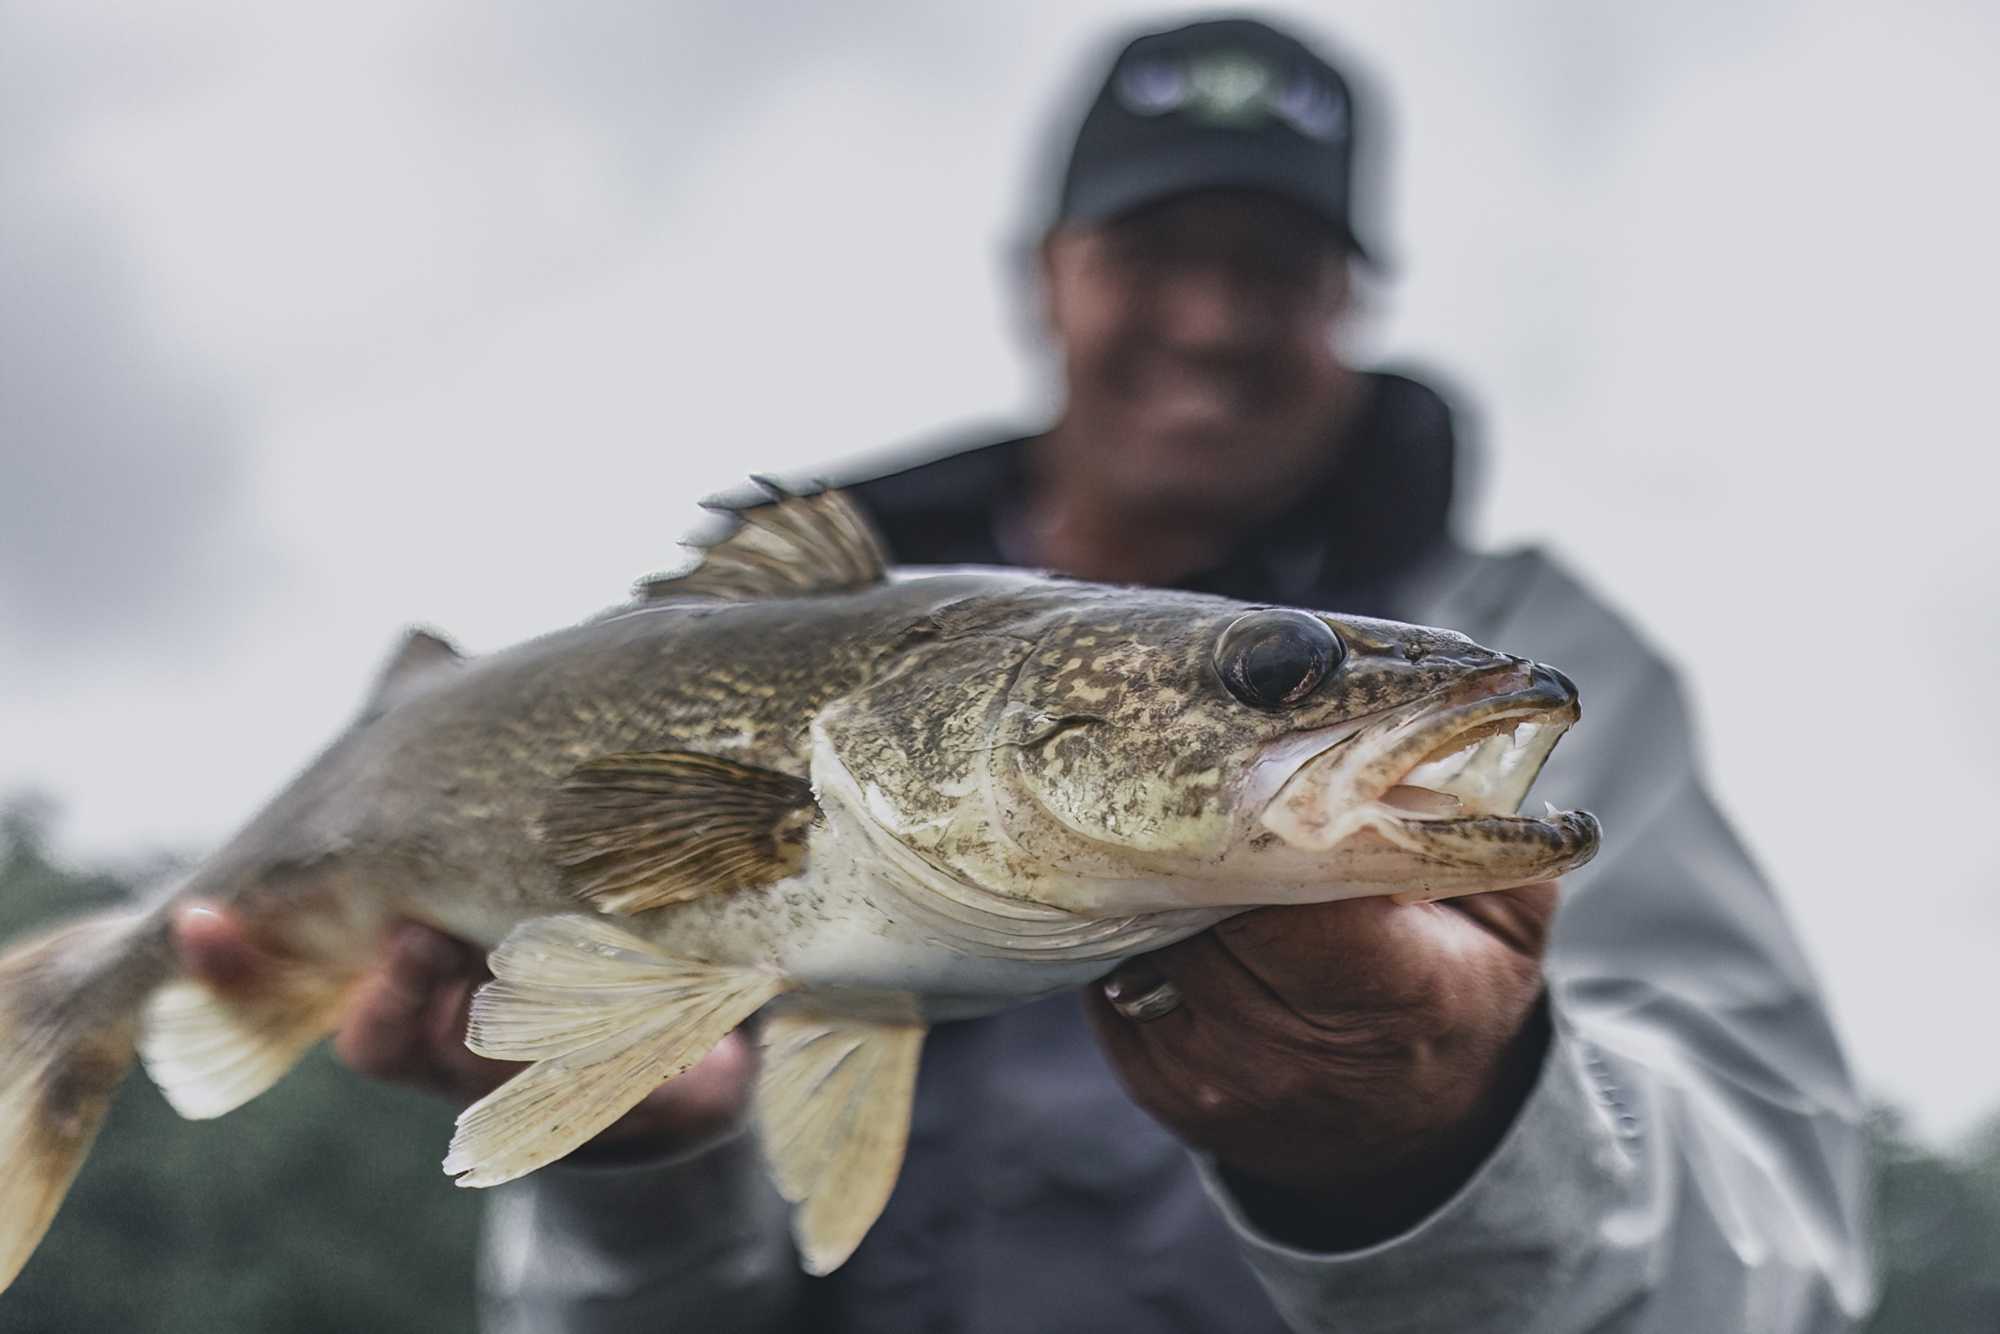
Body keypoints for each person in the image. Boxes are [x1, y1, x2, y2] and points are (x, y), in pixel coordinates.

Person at [175, 16, 1873, 1332]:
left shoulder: (1554, 659)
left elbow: (1789, 1280)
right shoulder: (770, 624)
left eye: (1275, 269)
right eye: (1152, 253)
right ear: (1043, 278)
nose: (1210, 321)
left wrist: (1461, 1138)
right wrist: (641, 1161)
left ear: (1353, 302)